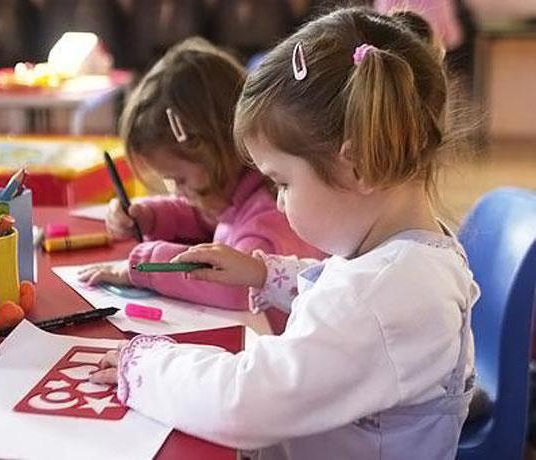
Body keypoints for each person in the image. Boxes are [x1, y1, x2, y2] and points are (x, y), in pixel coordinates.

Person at [90, 8, 479, 459]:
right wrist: (264, 273)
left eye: (283, 183)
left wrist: (145, 367)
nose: (276, 200)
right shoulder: (409, 256)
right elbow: (339, 290)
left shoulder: (379, 299)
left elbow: (244, 404)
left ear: (355, 166)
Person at [79, 37, 322, 314]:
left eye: (180, 180)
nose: (175, 191)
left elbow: (237, 286)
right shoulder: (235, 194)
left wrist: (145, 265)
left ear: (216, 151)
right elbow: (205, 218)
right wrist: (149, 216)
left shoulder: (268, 216)